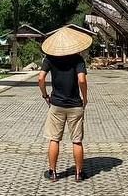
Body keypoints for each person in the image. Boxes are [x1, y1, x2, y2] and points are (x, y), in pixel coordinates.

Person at [38, 25, 92, 182]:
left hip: (56, 104)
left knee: (54, 139)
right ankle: (78, 173)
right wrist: (85, 97)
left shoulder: (50, 58)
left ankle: (53, 173)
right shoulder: (78, 60)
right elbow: (82, 80)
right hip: (75, 104)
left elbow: (40, 78)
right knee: (77, 140)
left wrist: (45, 96)